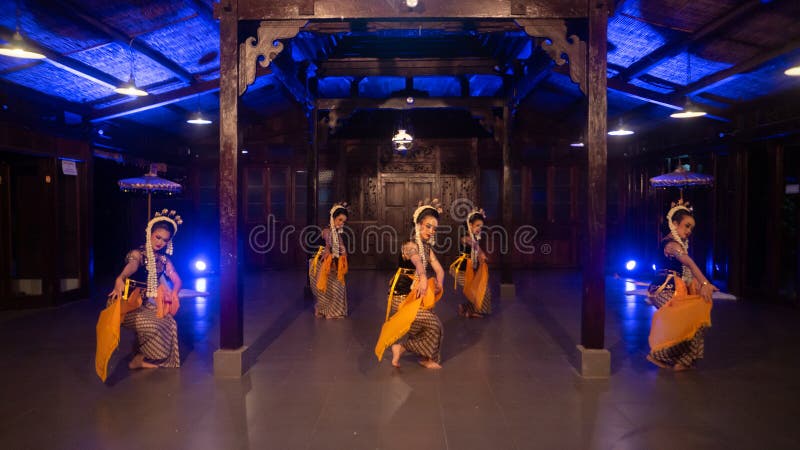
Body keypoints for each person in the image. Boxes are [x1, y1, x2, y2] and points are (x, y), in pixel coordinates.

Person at [108, 209, 182, 370]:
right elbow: (132, 265)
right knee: (154, 325)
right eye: (157, 237)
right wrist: (120, 278)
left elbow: (176, 279)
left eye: (165, 240)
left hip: (142, 304)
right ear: (150, 233)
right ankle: (139, 355)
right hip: (124, 304)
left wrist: (174, 292)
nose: (160, 242)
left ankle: (140, 358)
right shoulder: (138, 254)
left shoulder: (163, 260)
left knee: (170, 322)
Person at [375, 199, 445, 369]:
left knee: (434, 325)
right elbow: (417, 262)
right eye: (428, 226)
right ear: (419, 225)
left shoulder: (427, 249)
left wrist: (439, 283)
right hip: (401, 297)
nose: (431, 231)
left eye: (434, 228)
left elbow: (439, 270)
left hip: (415, 297)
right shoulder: (409, 245)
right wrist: (423, 277)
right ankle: (410, 351)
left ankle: (406, 350)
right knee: (434, 324)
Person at [647, 199, 716, 371]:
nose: (689, 231)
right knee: (690, 319)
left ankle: (682, 360)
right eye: (686, 226)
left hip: (673, 288)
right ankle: (664, 356)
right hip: (665, 289)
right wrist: (705, 283)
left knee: (694, 319)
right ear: (675, 224)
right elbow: (690, 263)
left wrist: (699, 285)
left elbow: (687, 271)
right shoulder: (671, 245)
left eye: (691, 228)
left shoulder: (676, 244)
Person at [309, 203, 349, 319]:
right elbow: (328, 242)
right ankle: (323, 310)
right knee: (327, 288)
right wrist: (329, 249)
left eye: (343, 221)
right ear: (332, 218)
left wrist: (343, 251)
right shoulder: (327, 231)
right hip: (319, 264)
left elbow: (341, 248)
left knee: (338, 285)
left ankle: (334, 311)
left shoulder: (337, 234)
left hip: (331, 262)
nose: (341, 223)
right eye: (339, 220)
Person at [450, 208, 491, 318]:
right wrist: (481, 253)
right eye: (477, 225)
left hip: (470, 268)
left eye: (481, 227)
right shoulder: (465, 237)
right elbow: (473, 244)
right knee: (473, 290)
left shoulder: (474, 237)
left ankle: (465, 308)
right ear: (470, 225)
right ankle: (469, 310)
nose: (479, 229)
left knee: (480, 289)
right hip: (461, 269)